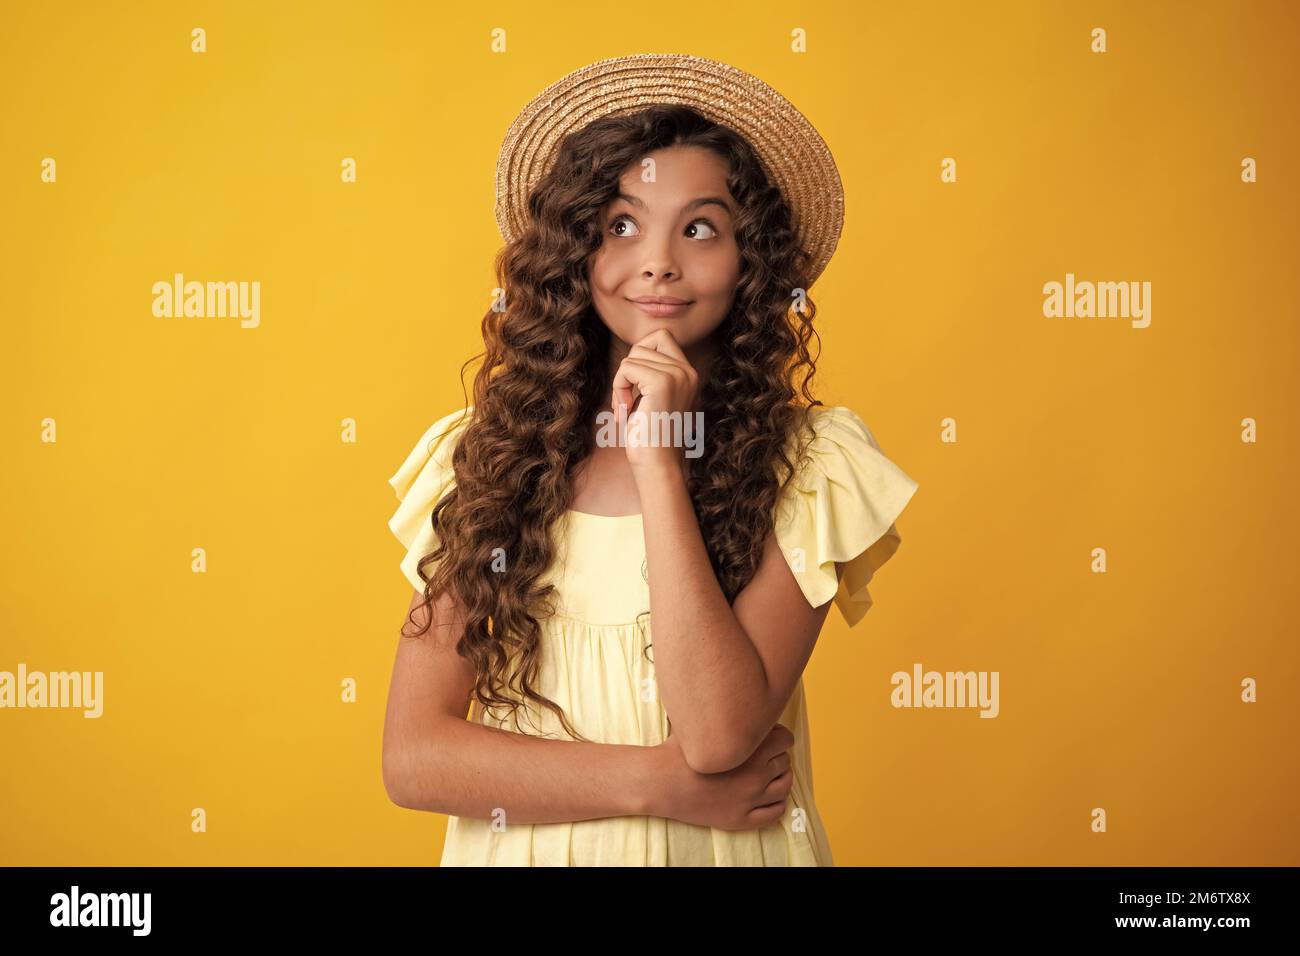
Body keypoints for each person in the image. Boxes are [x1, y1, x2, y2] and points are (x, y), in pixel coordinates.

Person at [382, 54, 919, 866]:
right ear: (576, 253)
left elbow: (717, 734)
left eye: (700, 227)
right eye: (622, 224)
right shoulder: (485, 459)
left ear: (751, 262)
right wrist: (655, 784)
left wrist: (660, 465)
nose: (660, 260)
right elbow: (414, 757)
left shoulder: (813, 468)